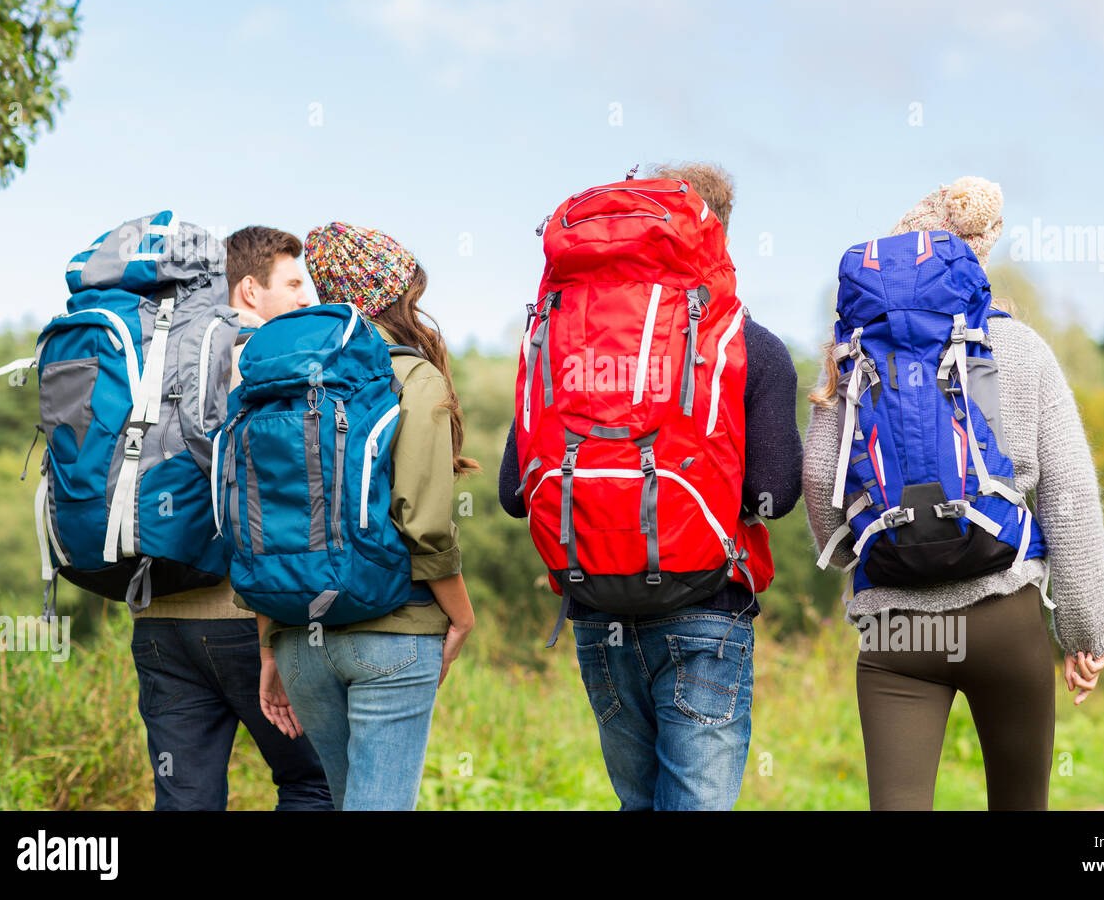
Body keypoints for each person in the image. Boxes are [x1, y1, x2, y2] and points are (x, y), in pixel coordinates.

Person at [803, 177, 1104, 810]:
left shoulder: (851, 352)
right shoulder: (1021, 349)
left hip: (897, 629)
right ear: (978, 260)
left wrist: (854, 550)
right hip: (1004, 617)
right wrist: (1087, 629)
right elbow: (1072, 497)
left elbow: (817, 477)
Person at [499, 162, 803, 810]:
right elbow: (775, 492)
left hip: (595, 609)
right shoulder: (751, 345)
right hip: (706, 609)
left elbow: (512, 492)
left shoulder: (557, 338)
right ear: (716, 232)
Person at [245, 221, 478, 811]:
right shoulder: (411, 376)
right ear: (396, 296)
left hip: (300, 638)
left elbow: (266, 517)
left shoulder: (284, 378)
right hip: (393, 633)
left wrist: (271, 644)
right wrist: (463, 617)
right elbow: (421, 522)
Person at [129, 225, 330, 810]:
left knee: (184, 800)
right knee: (313, 781)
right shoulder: (262, 363)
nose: (305, 298)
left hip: (159, 617)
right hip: (245, 620)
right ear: (248, 289)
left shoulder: (157, 361)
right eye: (292, 283)